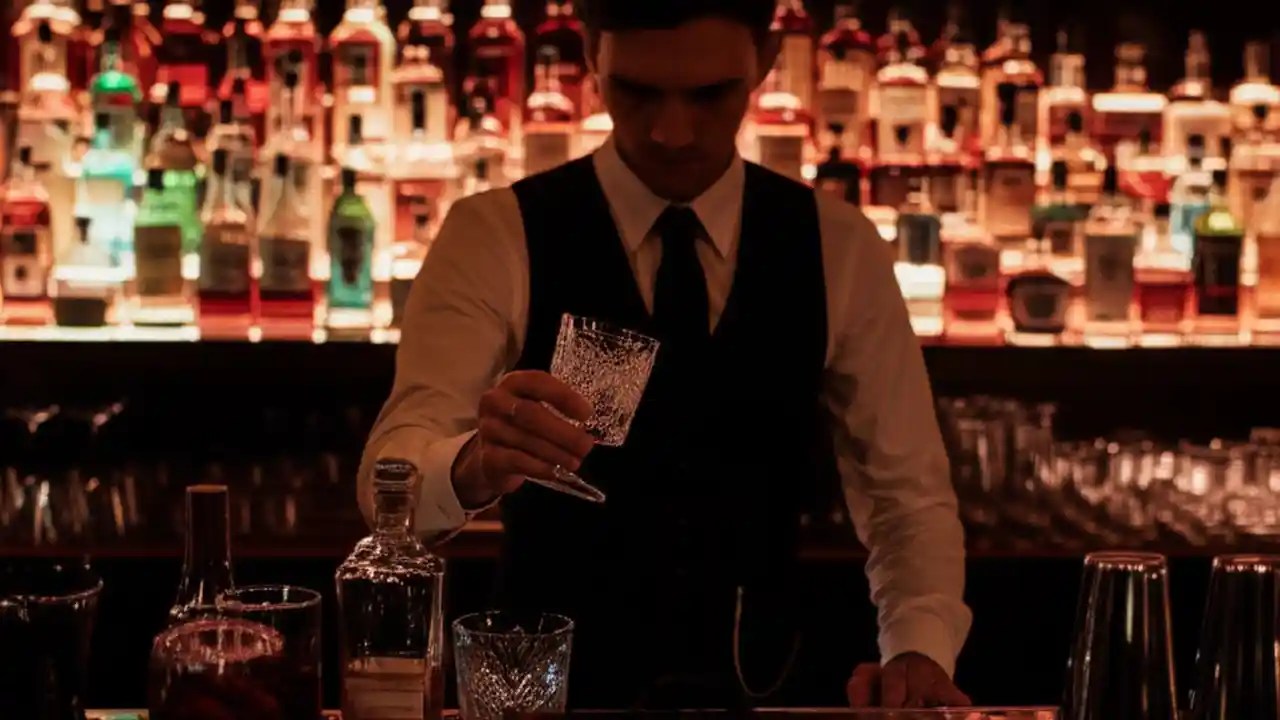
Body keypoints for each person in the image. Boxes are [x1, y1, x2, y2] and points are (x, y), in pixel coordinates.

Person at [360, 0, 971, 709]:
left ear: (768, 61)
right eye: (637, 92)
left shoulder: (840, 245)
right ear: (591, 53)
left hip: (762, 685)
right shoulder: (494, 233)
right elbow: (385, 484)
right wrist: (471, 466)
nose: (670, 132)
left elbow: (906, 494)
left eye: (710, 95)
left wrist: (919, 647)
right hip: (546, 693)